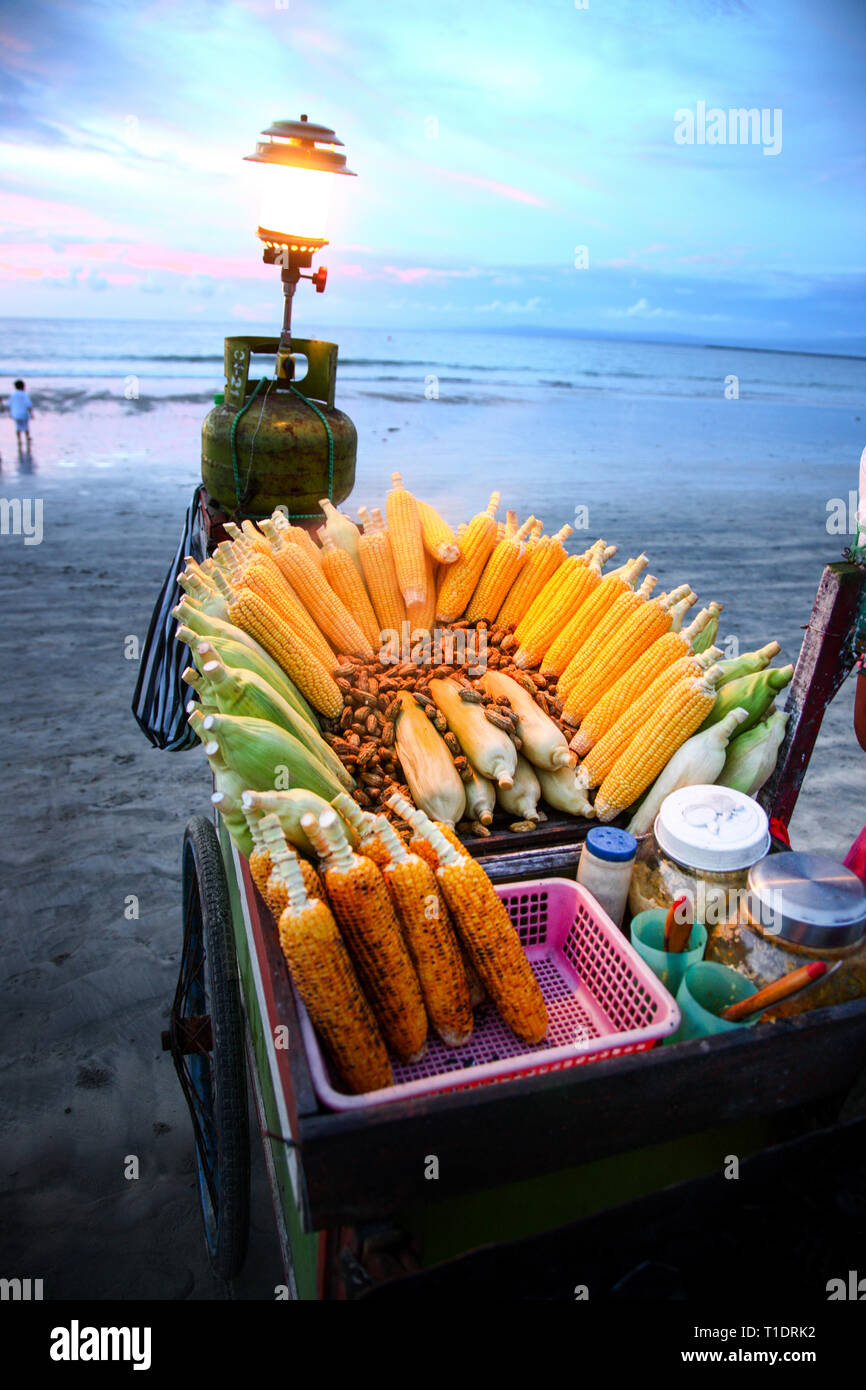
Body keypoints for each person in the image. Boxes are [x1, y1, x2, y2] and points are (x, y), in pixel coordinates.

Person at [8, 379, 34, 453]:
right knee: (26, 427)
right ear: (23, 386)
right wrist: (31, 414)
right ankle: (27, 438)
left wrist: (10, 413)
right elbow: (29, 405)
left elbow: (10, 404)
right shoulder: (24, 394)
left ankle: (19, 440)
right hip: (24, 413)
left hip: (16, 414)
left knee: (18, 427)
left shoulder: (13, 395)